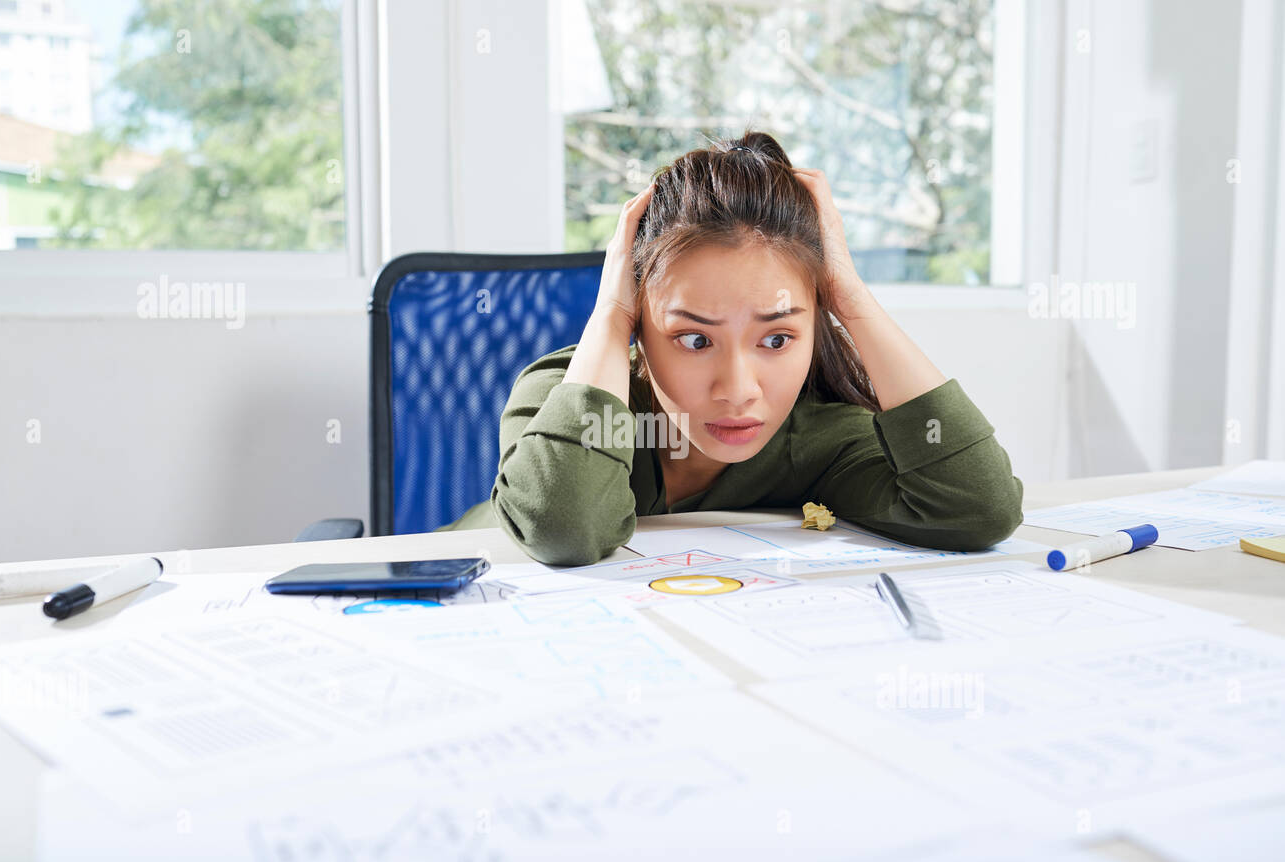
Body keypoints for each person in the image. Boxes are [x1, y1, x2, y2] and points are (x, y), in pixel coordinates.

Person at [436, 130, 1024, 566]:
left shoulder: (818, 440)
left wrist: (849, 295)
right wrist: (612, 314)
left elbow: (978, 509)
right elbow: (562, 527)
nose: (739, 390)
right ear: (641, 323)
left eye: (777, 338)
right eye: (694, 339)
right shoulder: (561, 391)